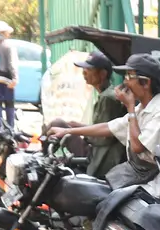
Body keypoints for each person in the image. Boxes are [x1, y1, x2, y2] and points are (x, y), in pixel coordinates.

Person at [49, 52, 160, 193]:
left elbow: (138, 147)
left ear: (145, 82)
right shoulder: (140, 110)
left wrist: (130, 108)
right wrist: (67, 131)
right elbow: (108, 127)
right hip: (140, 176)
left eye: (129, 76)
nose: (125, 82)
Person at [49, 51, 127, 179]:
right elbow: (103, 127)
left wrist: (76, 131)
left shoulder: (108, 98)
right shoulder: (105, 95)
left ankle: (43, 157)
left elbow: (104, 137)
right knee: (60, 124)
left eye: (89, 69)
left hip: (102, 157)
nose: (84, 72)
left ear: (103, 74)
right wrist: (77, 126)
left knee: (57, 125)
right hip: (96, 150)